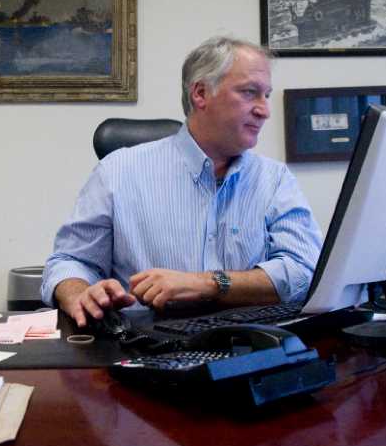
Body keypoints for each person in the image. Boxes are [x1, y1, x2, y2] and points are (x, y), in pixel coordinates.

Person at [41, 36, 323, 326]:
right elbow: (69, 262)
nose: (265, 110)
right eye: (250, 92)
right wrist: (80, 294)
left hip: (252, 343)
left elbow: (306, 271)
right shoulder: (117, 172)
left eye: (266, 95)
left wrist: (209, 283)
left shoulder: (275, 179)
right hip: (146, 343)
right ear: (200, 94)